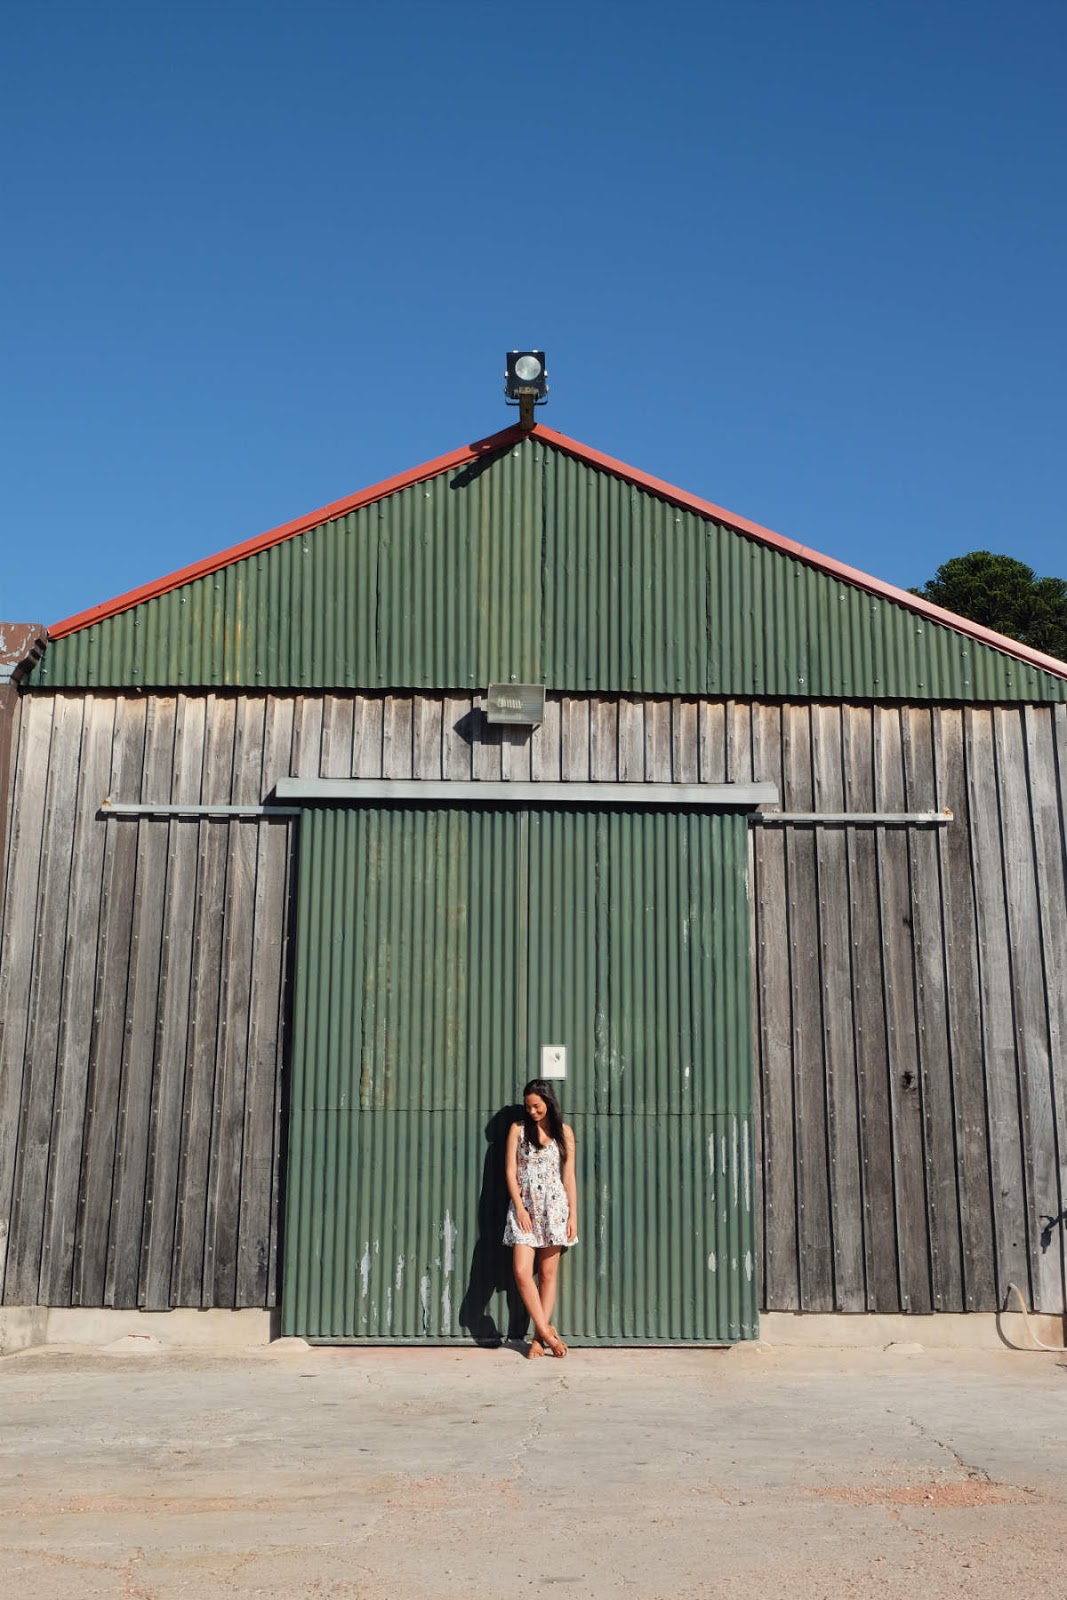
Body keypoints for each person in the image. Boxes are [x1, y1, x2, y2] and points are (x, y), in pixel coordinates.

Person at [503, 1079, 578, 1359]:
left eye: (537, 1106)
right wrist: (520, 1209)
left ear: (549, 1102)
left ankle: (537, 1340)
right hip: (525, 1209)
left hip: (554, 1207)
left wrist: (574, 1216)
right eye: (528, 1107)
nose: (532, 1111)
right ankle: (548, 1332)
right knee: (523, 1272)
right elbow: (510, 1172)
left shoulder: (564, 1133)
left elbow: (569, 1178)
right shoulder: (518, 1130)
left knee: (547, 1275)